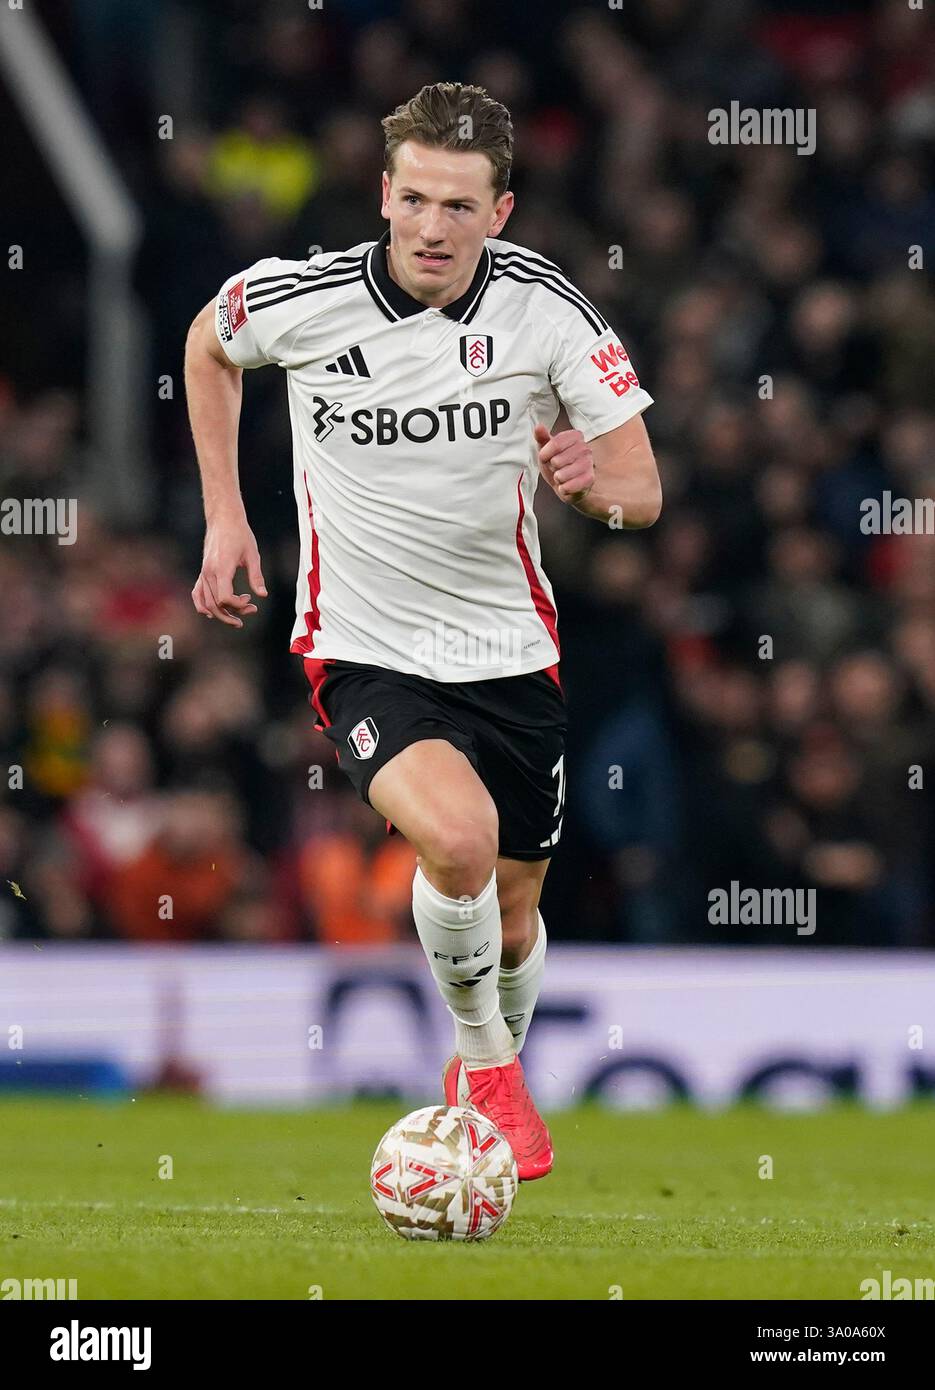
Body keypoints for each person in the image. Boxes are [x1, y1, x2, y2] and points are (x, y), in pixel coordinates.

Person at [184, 82, 661, 1180]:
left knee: (512, 911)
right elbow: (208, 347)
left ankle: (492, 1054)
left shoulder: (548, 310)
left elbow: (642, 490)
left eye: (459, 206)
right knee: (452, 838)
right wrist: (224, 516)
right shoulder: (303, 297)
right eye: (414, 200)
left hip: (511, 654)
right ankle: (486, 1064)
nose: (432, 227)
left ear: (499, 212)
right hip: (362, 649)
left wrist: (594, 491)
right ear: (383, 194)